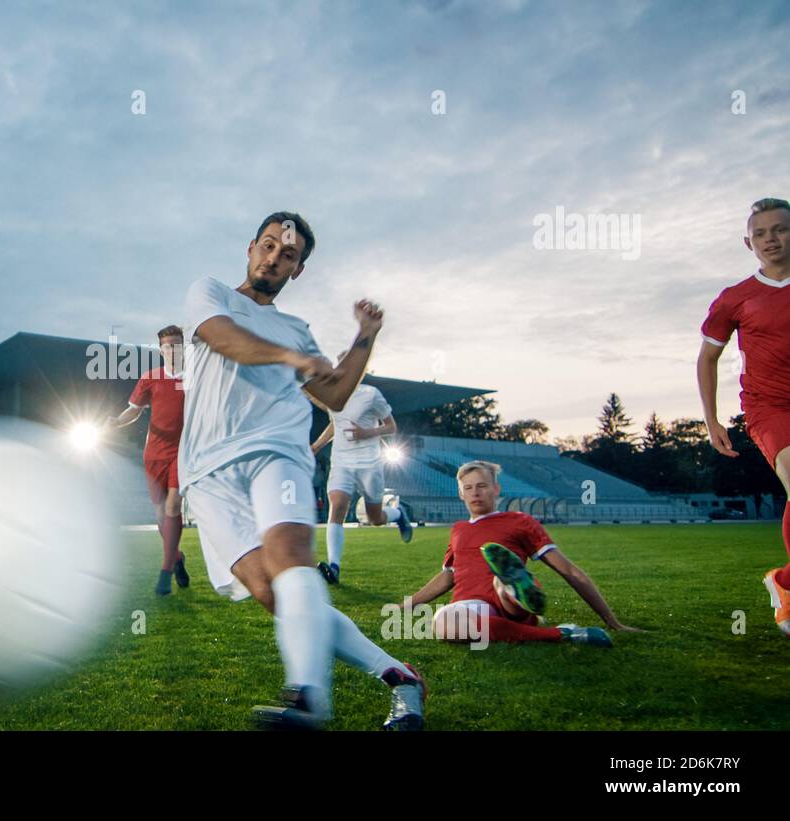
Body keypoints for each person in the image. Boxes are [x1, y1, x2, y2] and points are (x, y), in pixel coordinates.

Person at [180, 211, 425, 730]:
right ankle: (400, 675)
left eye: (287, 254)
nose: (273, 257)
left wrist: (365, 337)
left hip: (278, 451)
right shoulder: (212, 293)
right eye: (267, 245)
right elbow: (226, 340)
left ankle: (307, 699)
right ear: (250, 248)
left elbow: (334, 394)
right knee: (274, 595)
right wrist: (295, 358)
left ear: (298, 269)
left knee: (292, 561)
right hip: (206, 471)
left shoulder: (297, 328)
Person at [403, 460, 639, 646]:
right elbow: (448, 575)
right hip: (473, 607)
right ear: (461, 494)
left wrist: (612, 621)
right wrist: (407, 604)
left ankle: (512, 588)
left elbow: (566, 569)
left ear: (496, 489)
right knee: (449, 621)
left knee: (496, 585)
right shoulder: (459, 529)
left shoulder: (519, 521)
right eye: (469, 488)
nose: (475, 492)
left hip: (511, 607)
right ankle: (563, 633)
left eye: (482, 486)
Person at [698, 197, 790, 636]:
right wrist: (712, 419)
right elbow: (707, 359)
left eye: (780, 229)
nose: (771, 239)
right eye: (761, 233)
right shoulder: (736, 298)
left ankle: (784, 580)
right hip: (769, 408)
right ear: (748, 242)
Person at [106, 326, 189, 595]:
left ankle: (165, 573)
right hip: (154, 453)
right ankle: (176, 559)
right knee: (160, 515)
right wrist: (117, 422)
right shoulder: (150, 378)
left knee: (174, 506)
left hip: (184, 452)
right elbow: (134, 411)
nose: (172, 350)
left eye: (177, 345)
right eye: (167, 346)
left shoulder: (196, 379)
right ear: (161, 350)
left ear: (183, 346)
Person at [310, 377, 412, 586]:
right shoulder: (334, 396)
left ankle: (399, 514)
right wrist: (317, 446)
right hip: (341, 462)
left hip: (369, 463)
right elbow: (334, 424)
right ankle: (334, 567)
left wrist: (367, 433)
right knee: (337, 506)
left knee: (375, 518)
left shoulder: (371, 394)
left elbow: (391, 427)